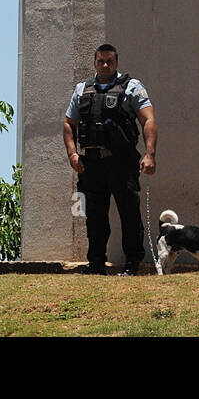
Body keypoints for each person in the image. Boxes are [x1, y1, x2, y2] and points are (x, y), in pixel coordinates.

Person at [63, 43, 157, 274]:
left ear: (116, 63)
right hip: (91, 163)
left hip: (122, 162)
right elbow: (68, 123)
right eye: (101, 61)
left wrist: (150, 154)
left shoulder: (131, 87)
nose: (105, 65)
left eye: (110, 61)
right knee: (94, 217)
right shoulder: (82, 89)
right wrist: (73, 154)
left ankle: (133, 264)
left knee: (129, 214)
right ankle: (96, 265)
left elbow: (148, 120)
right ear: (94, 62)